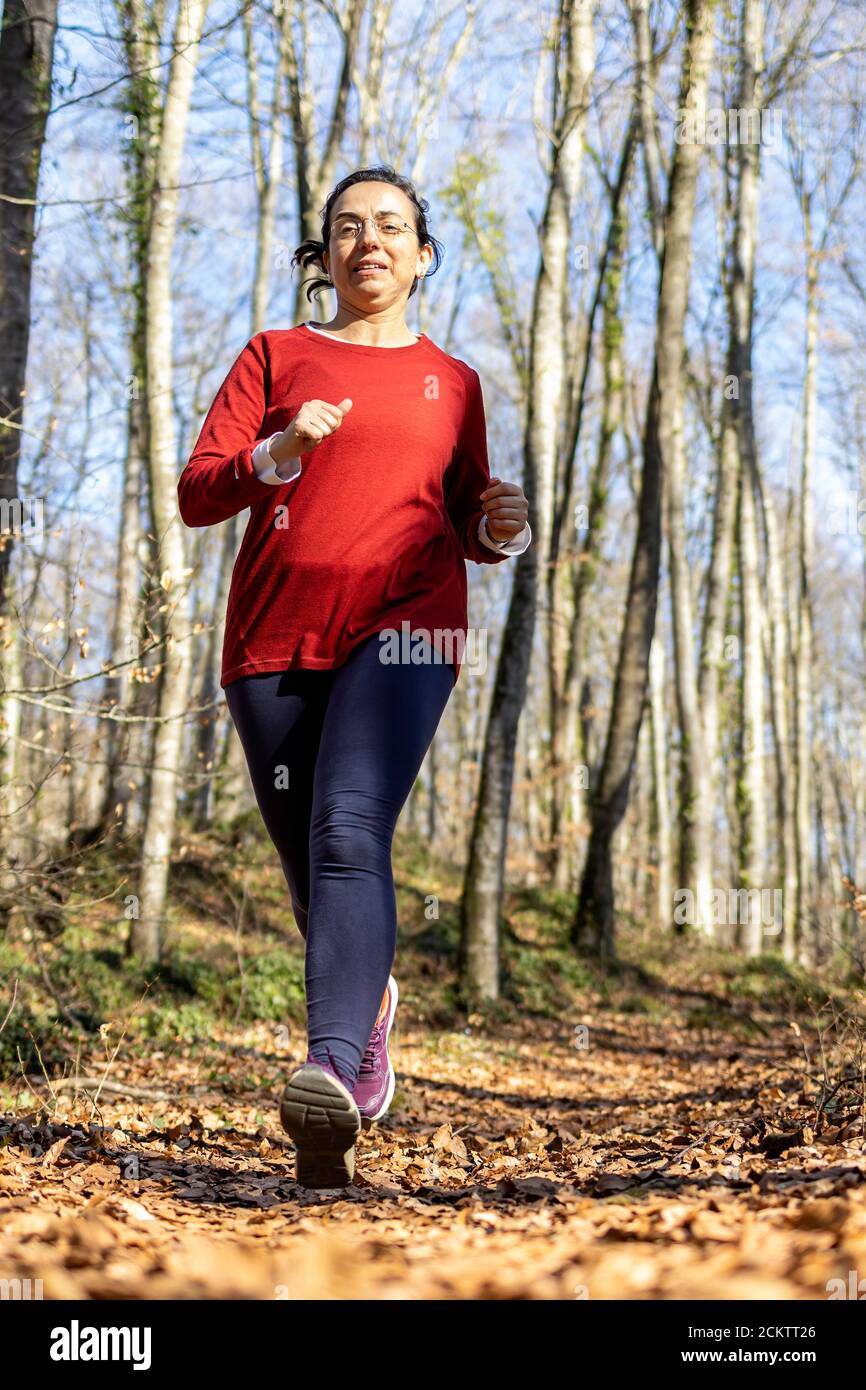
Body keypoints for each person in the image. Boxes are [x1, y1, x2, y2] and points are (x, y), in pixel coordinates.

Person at [177, 164, 531, 1189]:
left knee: (347, 829)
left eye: (390, 226)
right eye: (345, 226)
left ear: (422, 255)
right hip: (274, 640)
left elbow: (469, 513)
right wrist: (277, 452)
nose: (366, 240)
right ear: (323, 253)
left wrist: (493, 529)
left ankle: (328, 1075)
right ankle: (366, 1007)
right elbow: (201, 491)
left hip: (406, 629)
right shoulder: (274, 354)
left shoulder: (451, 380)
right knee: (314, 873)